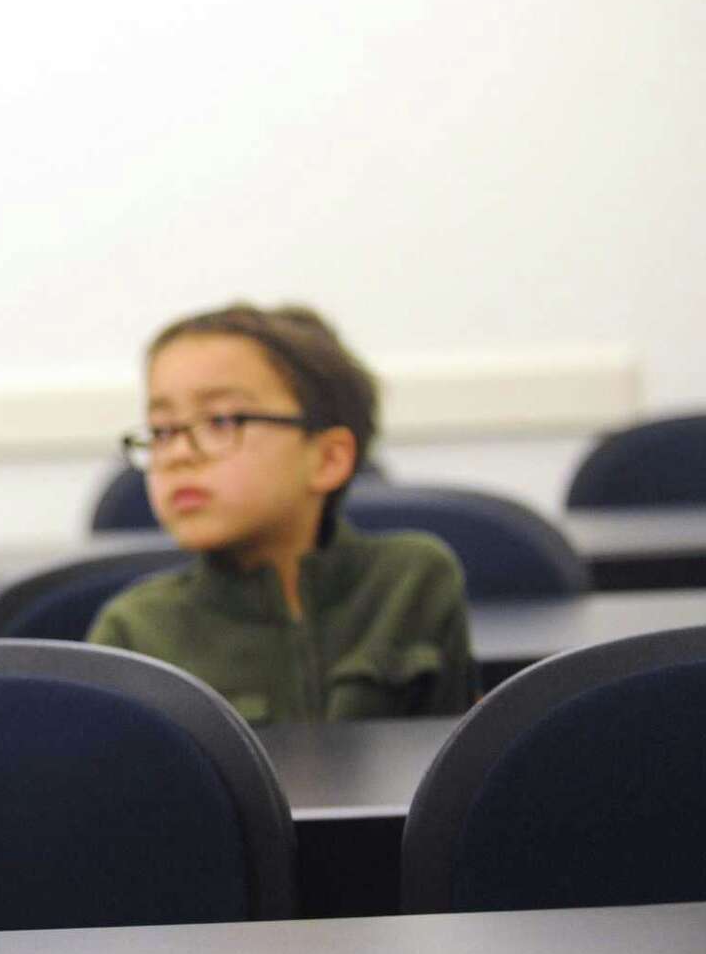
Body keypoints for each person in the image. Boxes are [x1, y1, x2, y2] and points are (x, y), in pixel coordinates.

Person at [88, 304, 475, 723]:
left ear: (328, 459)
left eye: (221, 421)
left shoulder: (412, 581)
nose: (178, 454)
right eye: (162, 430)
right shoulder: (134, 630)